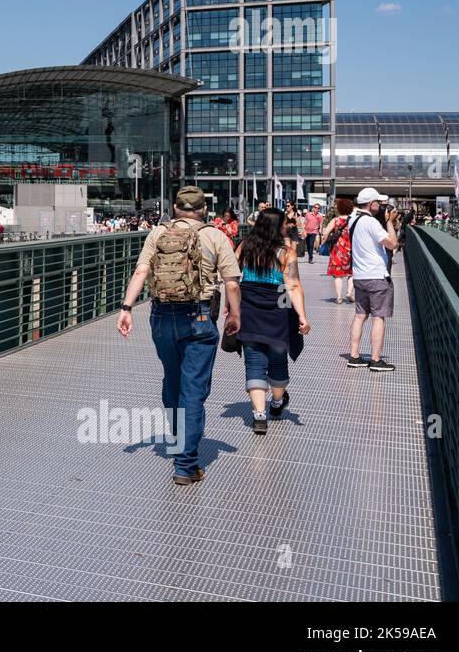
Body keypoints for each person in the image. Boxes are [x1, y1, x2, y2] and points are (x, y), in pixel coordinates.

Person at [117, 185, 242, 486]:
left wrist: (126, 307)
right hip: (198, 317)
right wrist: (234, 314)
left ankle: (178, 441)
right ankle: (185, 465)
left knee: (172, 381)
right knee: (194, 388)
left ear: (175, 208)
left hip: (161, 317)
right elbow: (232, 283)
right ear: (203, 210)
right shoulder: (215, 235)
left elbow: (140, 272)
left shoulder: (157, 234)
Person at [234, 207, 310, 435]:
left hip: (248, 307)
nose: (287, 226)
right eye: (284, 223)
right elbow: (293, 285)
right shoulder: (286, 253)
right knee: (278, 358)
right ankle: (277, 402)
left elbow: (232, 278)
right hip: (279, 307)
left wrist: (231, 308)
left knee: (254, 360)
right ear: (278, 226)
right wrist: (303, 316)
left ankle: (259, 415)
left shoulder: (244, 247)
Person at [346, 188, 400, 373]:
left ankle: (354, 356)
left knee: (360, 316)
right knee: (379, 317)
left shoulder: (353, 219)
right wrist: (388, 222)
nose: (381, 205)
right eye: (378, 202)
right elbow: (393, 243)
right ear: (371, 204)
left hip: (360, 276)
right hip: (376, 276)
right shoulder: (371, 222)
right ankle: (376, 360)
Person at [323, 198, 356, 304]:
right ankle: (350, 292)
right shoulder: (354, 220)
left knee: (338, 275)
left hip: (337, 251)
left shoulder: (336, 220)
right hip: (352, 250)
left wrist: (324, 241)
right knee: (352, 273)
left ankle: (339, 297)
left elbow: (325, 233)